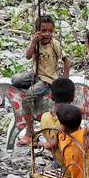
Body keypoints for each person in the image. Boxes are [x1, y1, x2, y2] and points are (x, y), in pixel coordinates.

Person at [16, 14, 70, 145]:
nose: (47, 34)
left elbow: (67, 61)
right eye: (43, 31)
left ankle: (30, 132)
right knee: (15, 80)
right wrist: (34, 42)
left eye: (50, 31)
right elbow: (28, 56)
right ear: (37, 31)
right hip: (35, 74)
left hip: (48, 79)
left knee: (27, 97)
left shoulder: (54, 44)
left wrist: (63, 81)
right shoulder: (36, 42)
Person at [37, 76, 78, 145]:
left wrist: (41, 144)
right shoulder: (71, 118)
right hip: (70, 154)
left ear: (52, 96)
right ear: (72, 98)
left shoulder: (44, 117)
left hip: (55, 155)